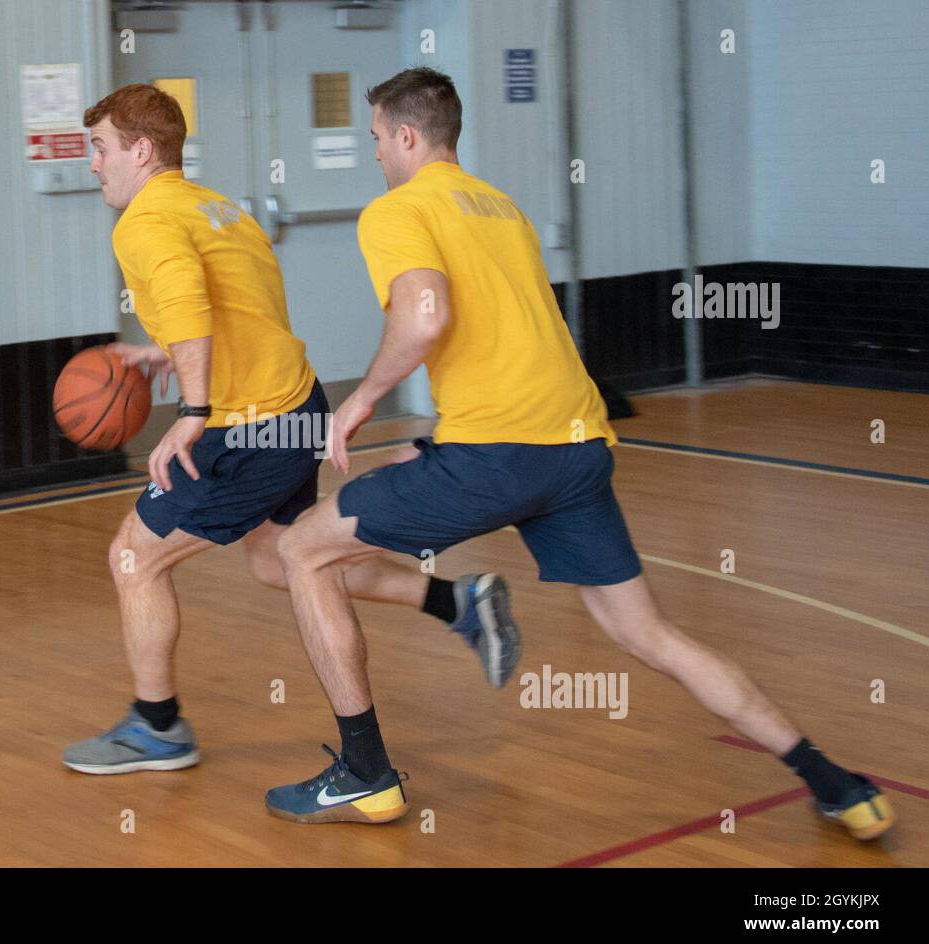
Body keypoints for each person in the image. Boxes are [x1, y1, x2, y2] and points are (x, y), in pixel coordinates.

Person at [263, 68, 894, 844]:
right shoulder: (501, 206)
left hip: (497, 451)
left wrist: (360, 400)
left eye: (375, 141)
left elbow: (425, 317)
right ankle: (834, 782)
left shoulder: (399, 208)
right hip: (579, 447)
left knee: (302, 551)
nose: (375, 156)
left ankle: (364, 775)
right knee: (650, 635)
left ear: (404, 136)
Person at [63, 83, 519, 775]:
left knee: (134, 557)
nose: (93, 164)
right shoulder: (216, 207)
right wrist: (169, 356)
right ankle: (458, 601)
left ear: (142, 149)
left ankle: (156, 728)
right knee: (280, 559)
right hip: (294, 408)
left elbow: (187, 304)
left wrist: (189, 412)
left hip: (243, 429)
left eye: (100, 148)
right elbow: (246, 305)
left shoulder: (144, 222)